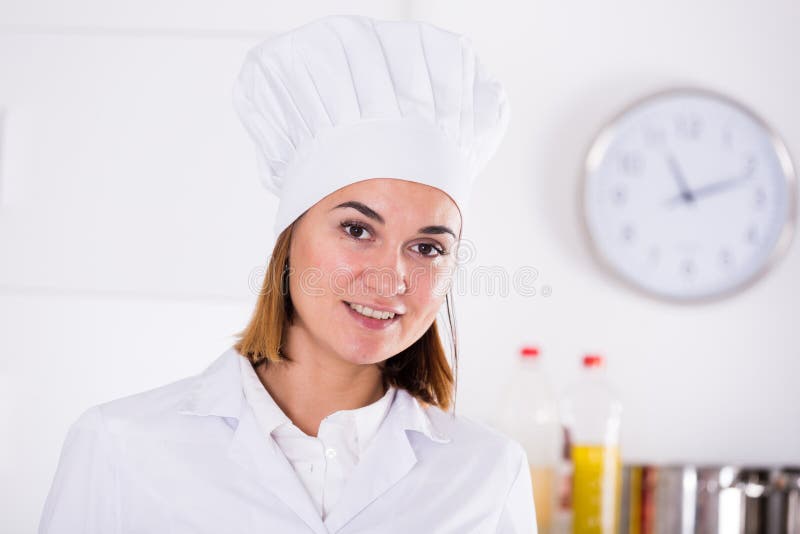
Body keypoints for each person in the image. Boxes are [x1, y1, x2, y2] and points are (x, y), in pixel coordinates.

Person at [38, 14, 537, 534]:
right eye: (357, 230)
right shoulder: (123, 449)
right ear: (289, 240)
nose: (390, 279)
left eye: (428, 247)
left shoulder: (486, 475)